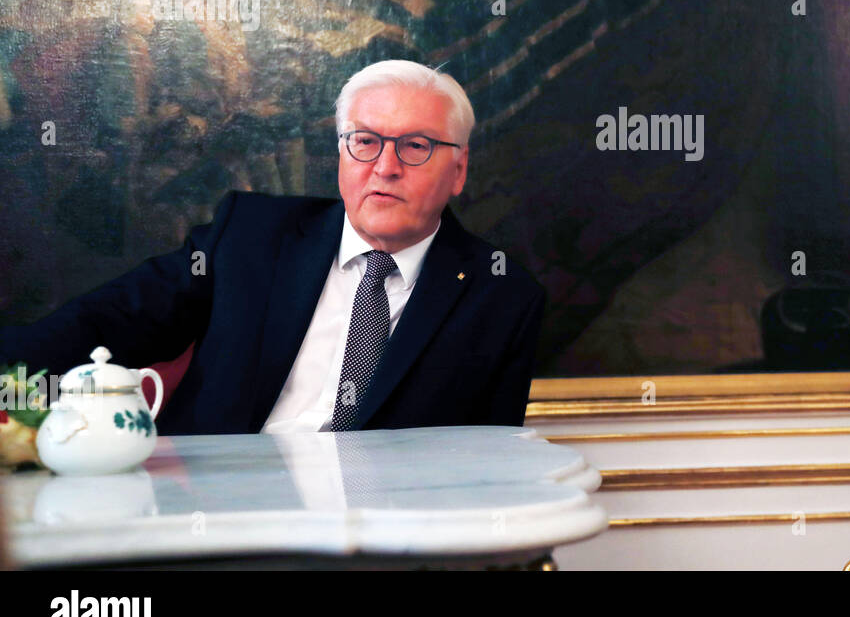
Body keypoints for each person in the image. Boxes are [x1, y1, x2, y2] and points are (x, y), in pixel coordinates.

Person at [0, 61, 547, 433]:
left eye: (416, 146)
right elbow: (109, 320)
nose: (385, 167)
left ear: (459, 169)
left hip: (386, 538)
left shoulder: (502, 296)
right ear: (341, 152)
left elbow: (487, 460)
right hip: (217, 512)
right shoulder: (252, 237)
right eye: (364, 141)